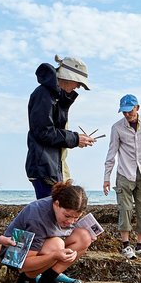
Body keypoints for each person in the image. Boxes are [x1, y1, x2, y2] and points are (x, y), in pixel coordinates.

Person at [4, 180, 94, 283]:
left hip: (41, 243)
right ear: (56, 204)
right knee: (57, 245)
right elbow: (22, 264)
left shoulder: (65, 212)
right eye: (67, 216)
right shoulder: (37, 217)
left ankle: (48, 279)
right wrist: (54, 256)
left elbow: (70, 231)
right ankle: (26, 280)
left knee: (84, 237)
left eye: (76, 218)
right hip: (13, 254)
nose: (70, 221)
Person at [25, 55, 96, 200]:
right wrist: (75, 139)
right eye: (78, 83)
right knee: (50, 214)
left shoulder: (55, 96)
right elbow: (43, 132)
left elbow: (52, 132)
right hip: (44, 168)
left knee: (56, 214)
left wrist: (76, 139)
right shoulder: (44, 94)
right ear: (68, 77)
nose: (78, 87)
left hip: (53, 166)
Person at [103, 94, 141, 260]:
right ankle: (126, 246)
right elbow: (111, 152)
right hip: (124, 174)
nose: (127, 114)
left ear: (137, 108)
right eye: (124, 112)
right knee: (125, 209)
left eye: (130, 111)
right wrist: (106, 178)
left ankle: (140, 246)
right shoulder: (117, 127)